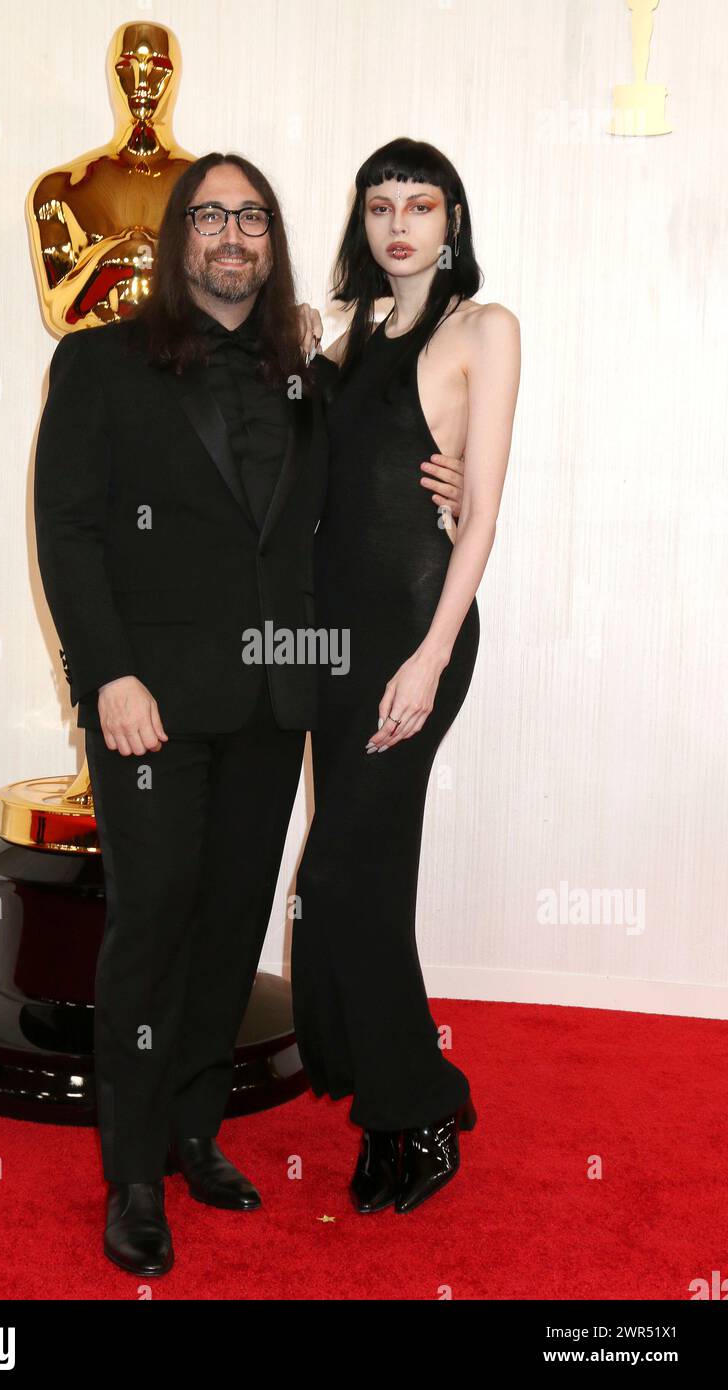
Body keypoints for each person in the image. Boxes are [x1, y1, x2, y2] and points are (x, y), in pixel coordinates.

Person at [33, 150, 459, 1276]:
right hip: (150, 710)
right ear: (180, 239)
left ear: (271, 244)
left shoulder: (303, 379)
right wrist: (104, 677)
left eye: (253, 218)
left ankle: (191, 1134)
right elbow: (68, 531)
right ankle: (130, 1172)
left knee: (228, 926)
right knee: (152, 923)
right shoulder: (98, 363)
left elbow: (363, 481)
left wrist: (452, 483)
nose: (232, 235)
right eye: (211, 216)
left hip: (276, 700)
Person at [291, 137, 520, 1215]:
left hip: (416, 633)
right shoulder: (338, 339)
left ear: (452, 221)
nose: (398, 223)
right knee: (364, 874)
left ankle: (422, 1102)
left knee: (333, 874)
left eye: (419, 205)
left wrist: (431, 653)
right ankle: (388, 1104)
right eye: (380, 205)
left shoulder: (487, 330)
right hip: (331, 641)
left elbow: (479, 515)